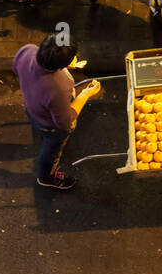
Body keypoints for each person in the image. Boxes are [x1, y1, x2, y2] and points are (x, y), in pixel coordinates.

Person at [13, 32, 102, 191]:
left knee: (43, 134)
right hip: (49, 125)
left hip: (31, 108)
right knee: (51, 148)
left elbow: (16, 67)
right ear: (59, 67)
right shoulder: (57, 88)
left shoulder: (27, 51)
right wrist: (85, 94)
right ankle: (46, 177)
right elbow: (65, 121)